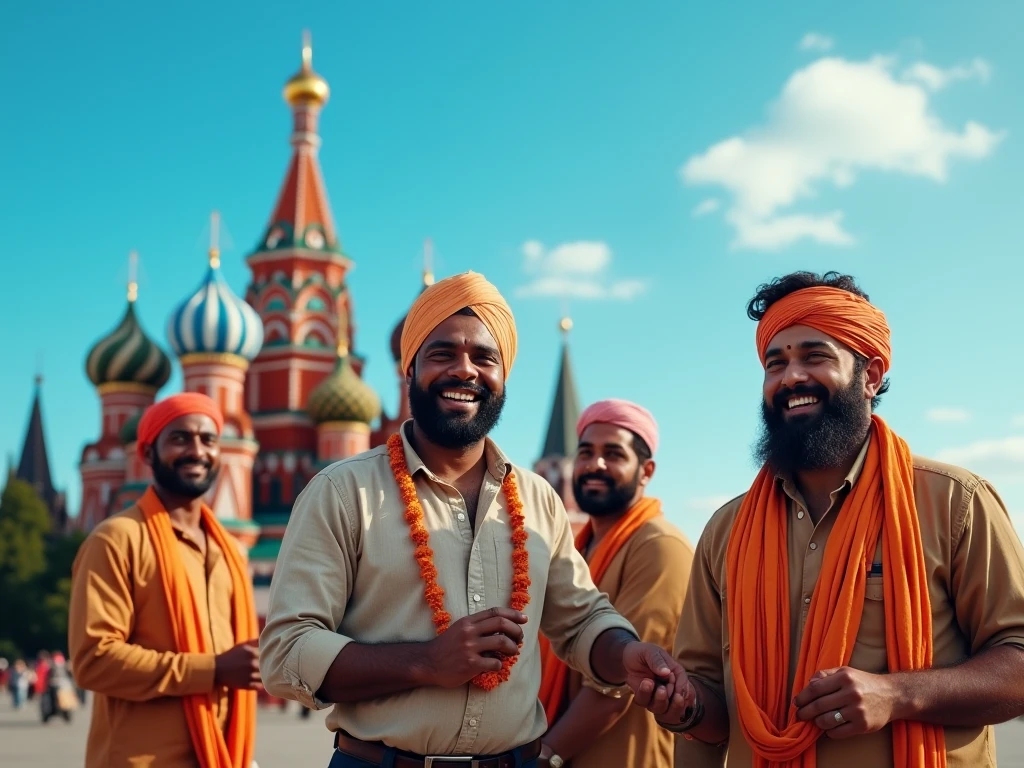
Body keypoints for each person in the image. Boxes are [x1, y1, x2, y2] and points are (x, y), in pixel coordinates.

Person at [259, 271, 686, 768]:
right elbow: (287, 653)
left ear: (503, 378)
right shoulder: (342, 492)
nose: (465, 370)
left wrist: (625, 654)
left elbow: (582, 620)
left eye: (485, 357)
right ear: (410, 368)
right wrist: (427, 662)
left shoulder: (537, 499)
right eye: (442, 354)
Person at [637, 271, 1024, 768]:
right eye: (775, 364)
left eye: (814, 356)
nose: (791, 377)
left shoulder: (954, 501)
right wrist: (682, 704)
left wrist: (899, 695)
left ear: (872, 375)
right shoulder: (726, 530)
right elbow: (713, 710)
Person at [69, 392, 262, 768]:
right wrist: (214, 670)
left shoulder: (229, 552)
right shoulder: (119, 539)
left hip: (223, 756)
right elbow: (94, 660)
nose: (196, 451)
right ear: (146, 454)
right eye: (179, 438)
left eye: (208, 440)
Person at [538, 399, 694, 767]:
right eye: (586, 452)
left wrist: (542, 755)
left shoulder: (659, 548)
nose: (595, 464)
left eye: (613, 454)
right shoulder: (575, 550)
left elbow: (621, 684)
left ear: (646, 471)